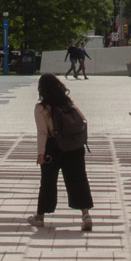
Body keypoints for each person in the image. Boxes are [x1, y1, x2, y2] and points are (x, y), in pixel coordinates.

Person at [31, 74, 94, 233]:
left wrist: (40, 153)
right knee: (79, 180)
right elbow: (83, 121)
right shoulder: (68, 102)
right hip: (74, 147)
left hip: (53, 147)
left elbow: (42, 133)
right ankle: (86, 216)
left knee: (48, 182)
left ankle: (40, 217)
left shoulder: (41, 108)